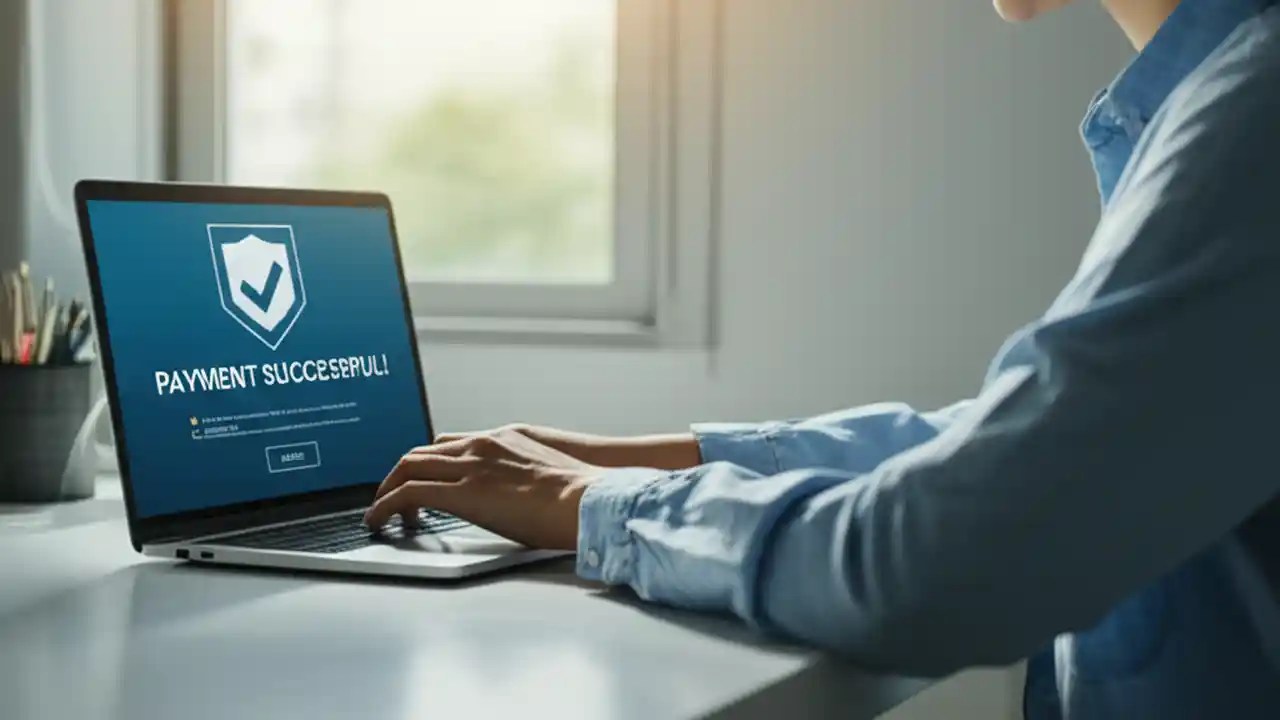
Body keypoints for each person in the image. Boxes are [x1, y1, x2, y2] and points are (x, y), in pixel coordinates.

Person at [364, 0, 1280, 716]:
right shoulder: (1217, 97)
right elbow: (1050, 449)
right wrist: (646, 462)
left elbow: (949, 562)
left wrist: (603, 506)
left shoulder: (1256, 115)